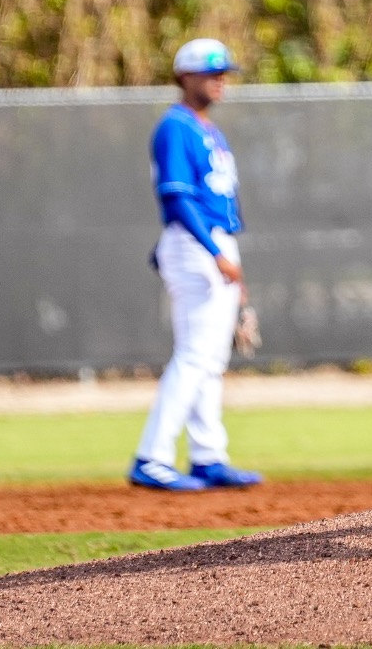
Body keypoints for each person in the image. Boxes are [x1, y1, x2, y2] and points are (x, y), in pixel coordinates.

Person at [128, 38, 265, 492]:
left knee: (211, 356)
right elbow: (176, 197)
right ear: (184, 76)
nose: (220, 80)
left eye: (224, 73)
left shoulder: (208, 130)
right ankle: (152, 457)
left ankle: (208, 456)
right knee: (195, 354)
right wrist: (214, 251)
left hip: (212, 241)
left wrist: (227, 257)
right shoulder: (175, 127)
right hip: (196, 241)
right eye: (211, 73)